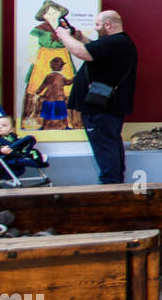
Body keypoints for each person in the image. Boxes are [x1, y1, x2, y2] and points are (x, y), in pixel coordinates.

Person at [57, 10, 137, 185]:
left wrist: (63, 35)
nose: (95, 28)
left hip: (101, 109)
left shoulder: (116, 41)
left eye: (98, 25)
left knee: (105, 149)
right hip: (105, 109)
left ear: (108, 25)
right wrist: (81, 38)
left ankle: (110, 187)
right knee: (109, 146)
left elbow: (82, 53)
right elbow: (96, 50)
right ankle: (113, 184)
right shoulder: (118, 43)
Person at [22, 0, 77, 130]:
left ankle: (69, 121)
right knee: (39, 84)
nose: (53, 16)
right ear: (44, 15)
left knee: (68, 88)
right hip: (44, 59)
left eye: (55, 12)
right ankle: (37, 121)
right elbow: (32, 46)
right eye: (49, 13)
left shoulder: (65, 28)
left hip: (63, 57)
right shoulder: (39, 30)